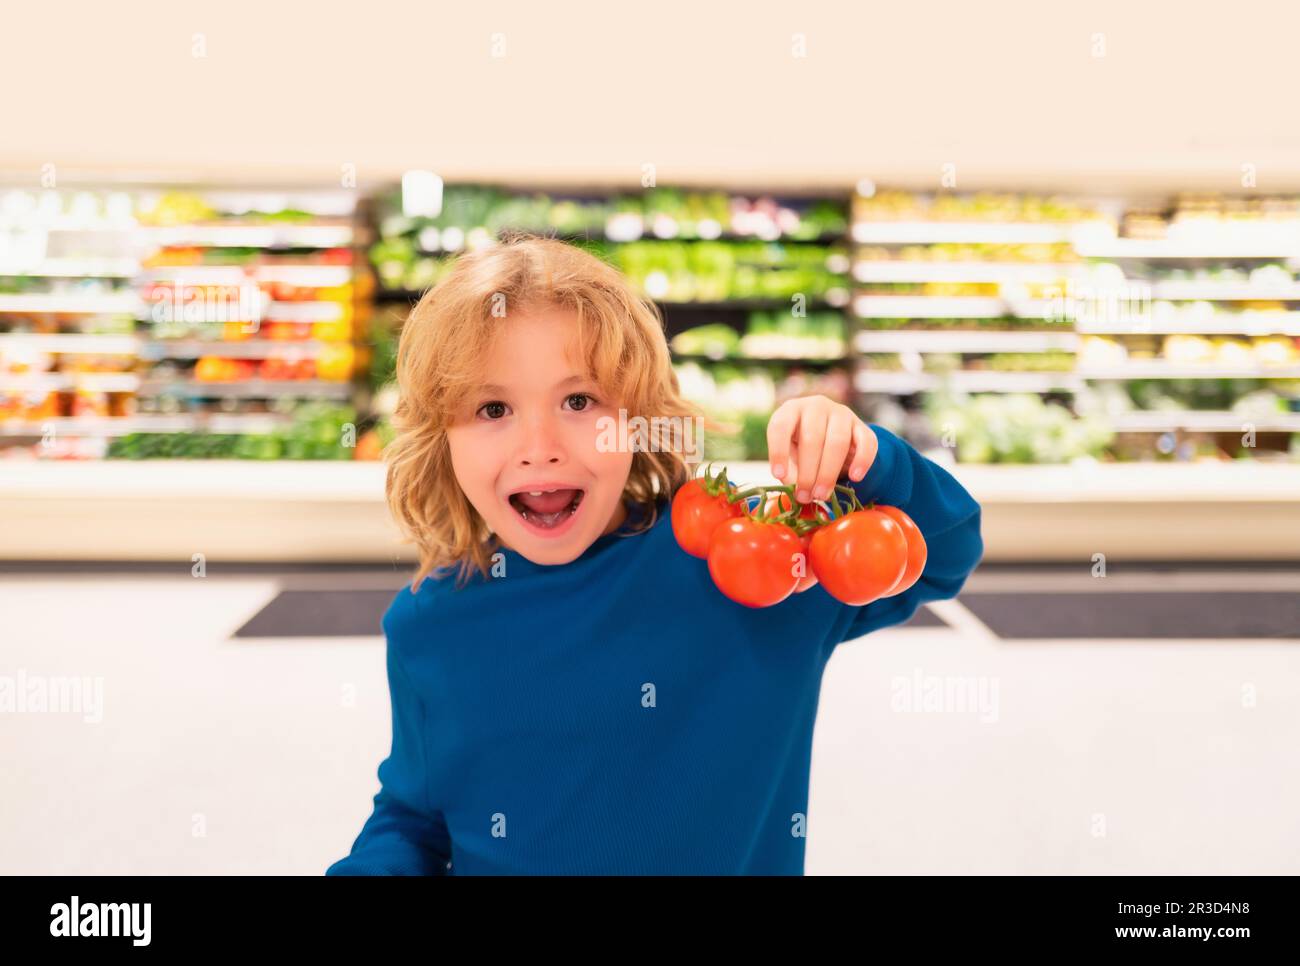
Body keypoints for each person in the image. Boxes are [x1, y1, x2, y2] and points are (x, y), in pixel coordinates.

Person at [326, 231, 983, 875]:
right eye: (492, 408)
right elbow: (414, 817)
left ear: (637, 418)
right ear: (441, 439)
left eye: (579, 400)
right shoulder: (427, 626)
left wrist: (867, 457)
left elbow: (946, 550)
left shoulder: (745, 566)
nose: (539, 445)